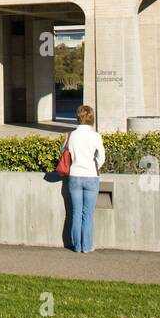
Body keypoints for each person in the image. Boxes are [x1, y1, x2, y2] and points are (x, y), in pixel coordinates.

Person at [65, 105, 105, 253]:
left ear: (78, 117)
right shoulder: (95, 136)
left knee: (75, 212)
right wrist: (96, 167)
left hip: (74, 176)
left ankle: (77, 246)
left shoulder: (71, 135)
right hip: (91, 176)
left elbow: (65, 152)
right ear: (92, 118)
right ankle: (87, 246)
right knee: (87, 214)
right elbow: (102, 157)